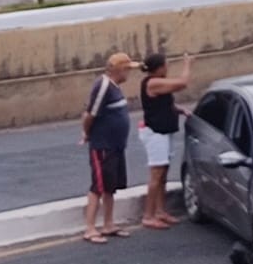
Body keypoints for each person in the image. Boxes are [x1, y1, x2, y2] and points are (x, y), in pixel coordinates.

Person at [82, 52, 139, 244]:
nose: (129, 74)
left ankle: (108, 223)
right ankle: (90, 228)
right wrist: (87, 134)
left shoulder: (115, 87)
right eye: (128, 70)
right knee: (98, 186)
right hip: (103, 146)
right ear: (120, 70)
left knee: (110, 186)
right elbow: (90, 114)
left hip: (115, 145)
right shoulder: (104, 85)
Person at [138, 51, 192, 230]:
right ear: (159, 68)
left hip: (164, 131)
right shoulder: (153, 83)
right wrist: (187, 65)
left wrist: (179, 110)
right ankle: (148, 215)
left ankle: (160, 211)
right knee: (156, 174)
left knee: (163, 173)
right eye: (165, 64)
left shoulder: (157, 84)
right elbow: (182, 83)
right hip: (155, 133)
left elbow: (162, 104)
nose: (167, 67)